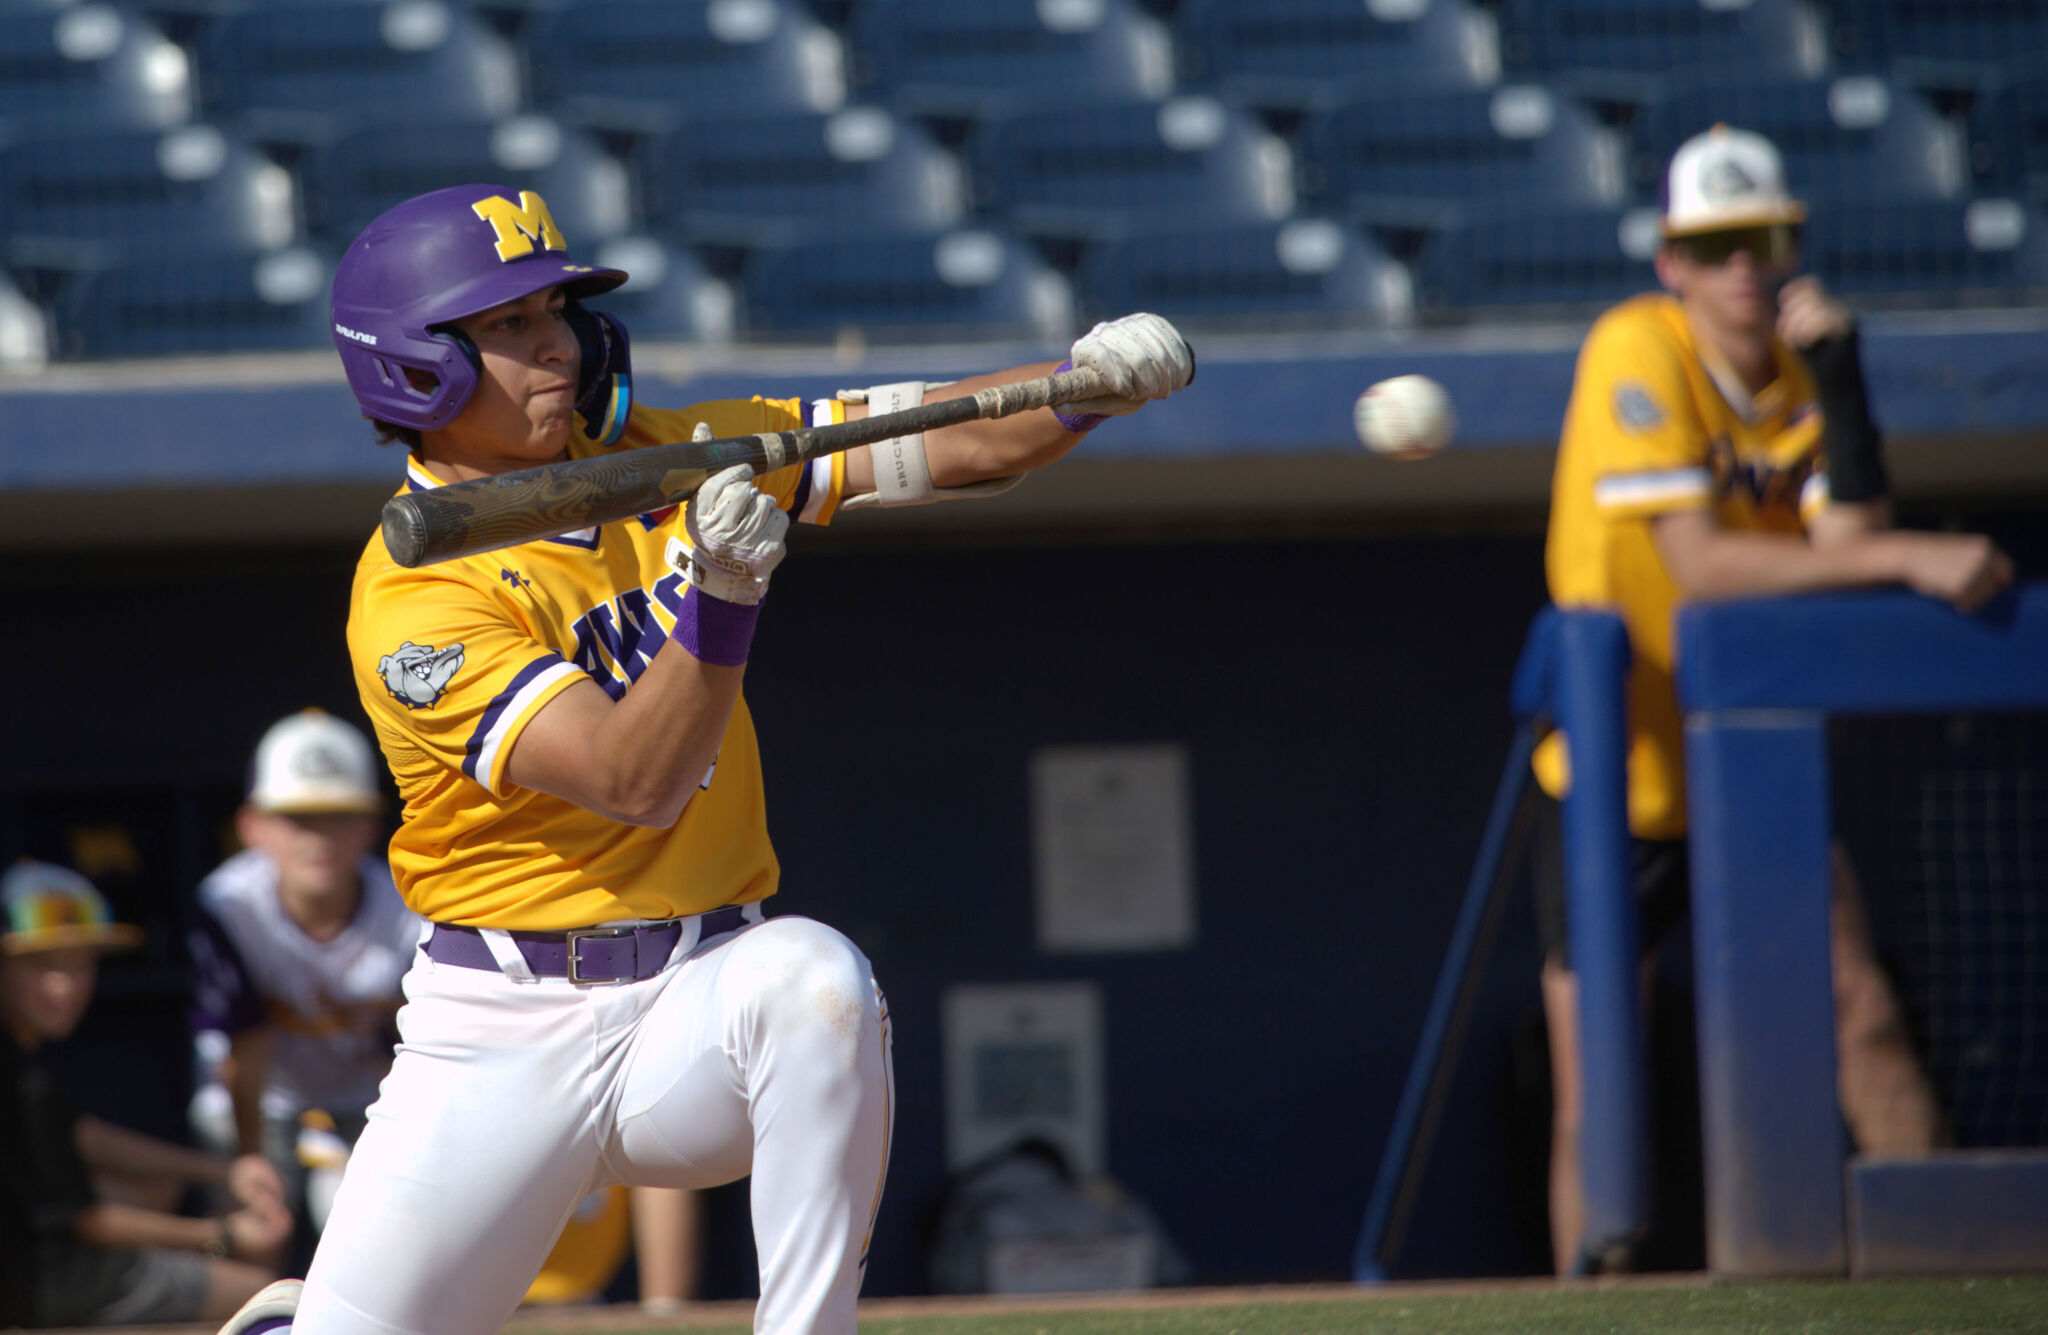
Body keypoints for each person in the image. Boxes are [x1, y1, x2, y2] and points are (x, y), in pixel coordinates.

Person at [211, 183, 1193, 1335]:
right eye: (509, 325)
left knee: (814, 979)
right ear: (414, 365)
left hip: (698, 997)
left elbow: (931, 439)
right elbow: (635, 781)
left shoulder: (669, 451)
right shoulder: (412, 600)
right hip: (498, 1025)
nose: (556, 347)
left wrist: (1080, 389)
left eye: (557, 313)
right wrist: (721, 598)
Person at [1533, 125, 2014, 1275]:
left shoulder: (1798, 375)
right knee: (1595, 1086)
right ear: (1672, 262)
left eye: (1758, 239)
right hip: (1617, 772)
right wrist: (1908, 558)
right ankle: (1589, 1305)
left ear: (1790, 244)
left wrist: (1842, 385)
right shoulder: (1634, 347)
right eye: (1713, 247)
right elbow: (1700, 565)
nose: (1740, 267)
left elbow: (1842, 535)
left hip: (1749, 765)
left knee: (1861, 1013)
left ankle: (1947, 1278)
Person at [1, 860, 292, 1327]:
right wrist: (223, 1235)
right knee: (267, 1296)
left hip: (43, 1269)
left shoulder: (22, 1059)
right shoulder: (23, 1079)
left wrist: (225, 1170)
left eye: (81, 963)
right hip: (48, 1284)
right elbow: (86, 1222)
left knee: (159, 1188)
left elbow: (83, 1137)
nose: (65, 985)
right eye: (42, 965)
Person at [187, 709, 418, 1268]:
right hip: (258, 1097)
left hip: (367, 1095)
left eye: (338, 817)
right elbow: (245, 1048)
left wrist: (394, 1146)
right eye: (296, 818)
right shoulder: (229, 905)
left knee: (378, 1226)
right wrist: (249, 1164)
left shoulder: (409, 906)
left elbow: (411, 1049)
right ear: (252, 827)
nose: (318, 838)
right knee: (257, 1226)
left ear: (369, 825)